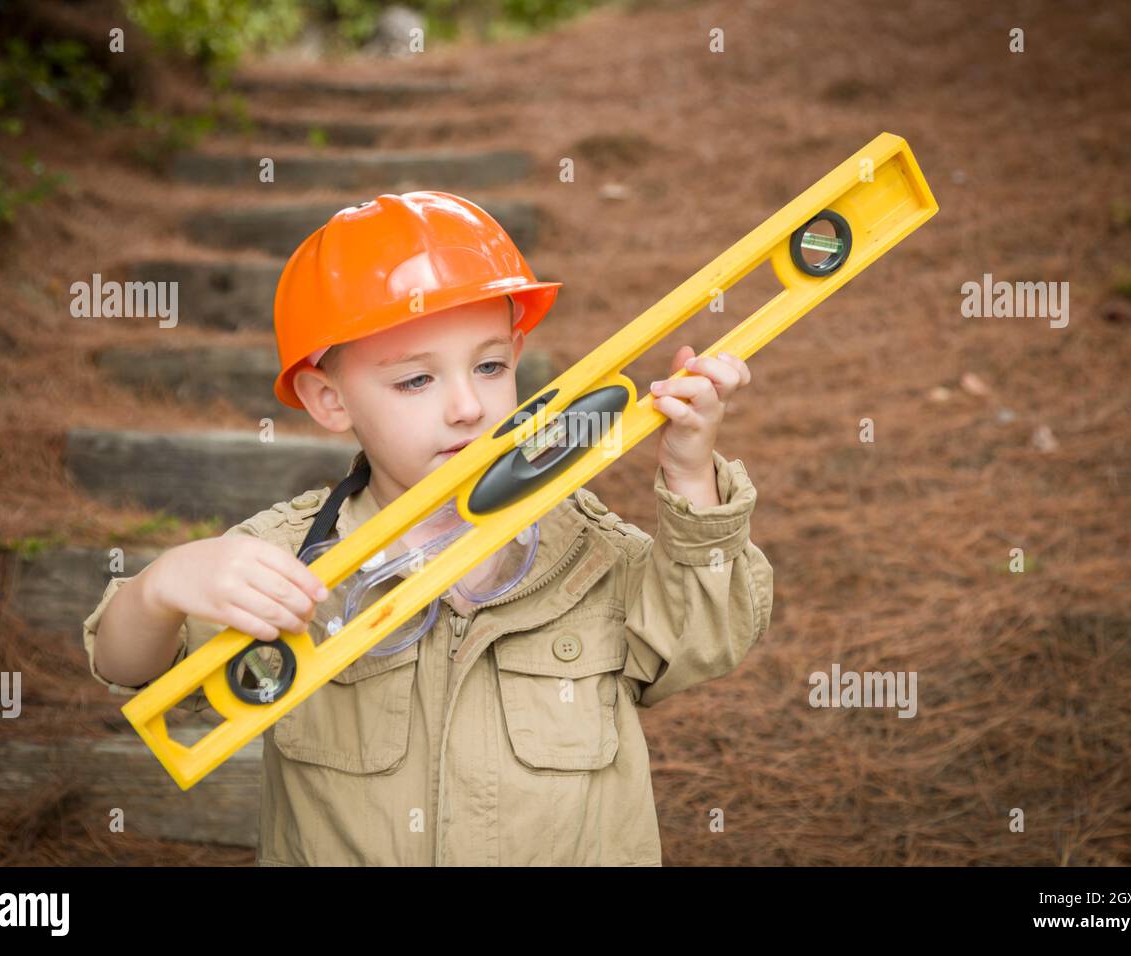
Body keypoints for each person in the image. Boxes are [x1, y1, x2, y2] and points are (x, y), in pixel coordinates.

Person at [82, 190, 774, 865]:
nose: (469, 406)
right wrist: (159, 591)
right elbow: (131, 668)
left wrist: (690, 477)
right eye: (417, 381)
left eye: (491, 365)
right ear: (329, 399)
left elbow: (707, 637)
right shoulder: (286, 564)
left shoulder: (584, 550)